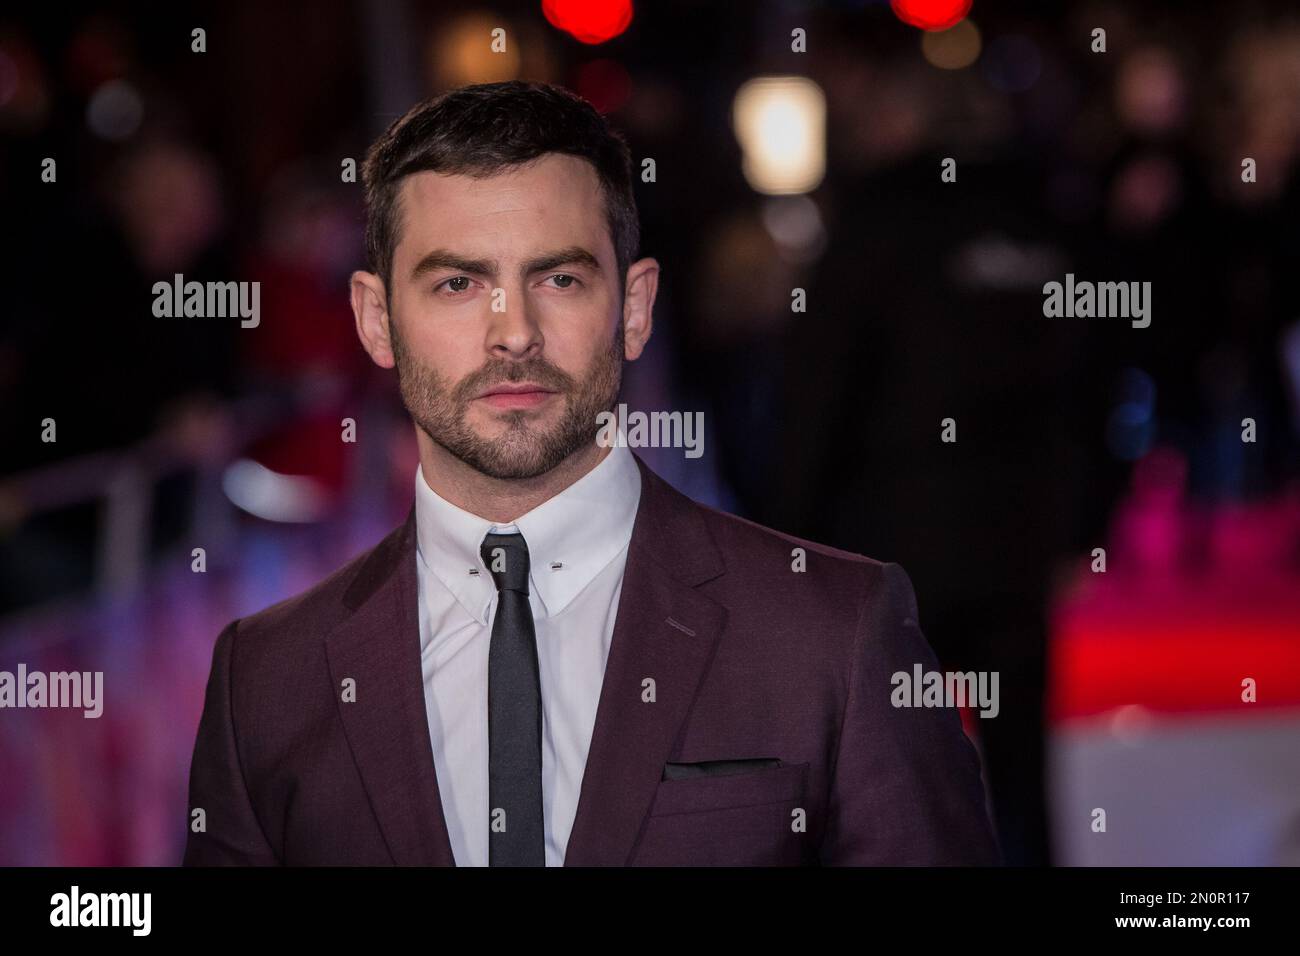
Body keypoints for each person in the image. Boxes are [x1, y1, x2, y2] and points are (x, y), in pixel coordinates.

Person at [183, 79, 1000, 866]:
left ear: (635, 308)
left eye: (559, 278)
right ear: (375, 318)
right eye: (459, 283)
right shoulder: (264, 680)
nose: (514, 333)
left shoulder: (838, 634)